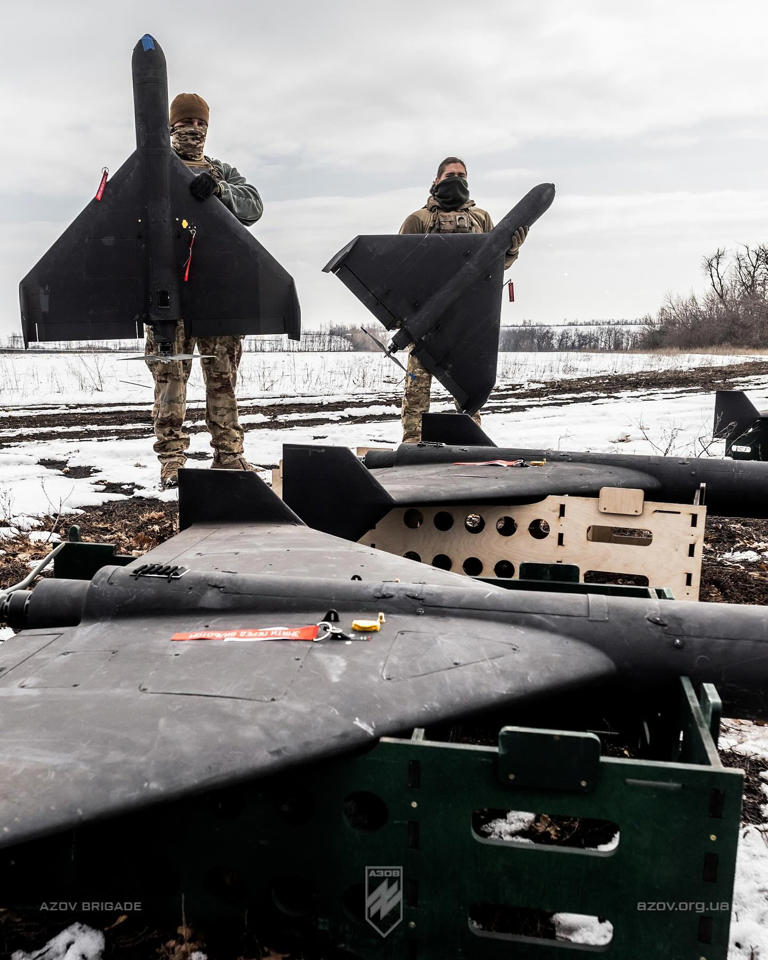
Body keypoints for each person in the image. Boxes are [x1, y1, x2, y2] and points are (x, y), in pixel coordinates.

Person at [145, 93, 264, 488]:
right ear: (170, 127)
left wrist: (219, 191)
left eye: (200, 124)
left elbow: (253, 207)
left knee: (222, 380)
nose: (193, 130)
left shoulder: (222, 172)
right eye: (185, 123)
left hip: (217, 296)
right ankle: (173, 462)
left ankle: (229, 456)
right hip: (169, 298)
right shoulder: (153, 168)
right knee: (170, 382)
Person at [398, 157, 527, 444]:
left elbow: (496, 265)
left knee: (467, 385)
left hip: (468, 317)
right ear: (435, 180)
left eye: (462, 175)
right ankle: (412, 441)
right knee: (417, 387)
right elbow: (400, 268)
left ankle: (471, 440)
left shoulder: (481, 218)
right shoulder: (417, 220)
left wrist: (511, 250)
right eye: (450, 175)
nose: (456, 179)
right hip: (428, 320)